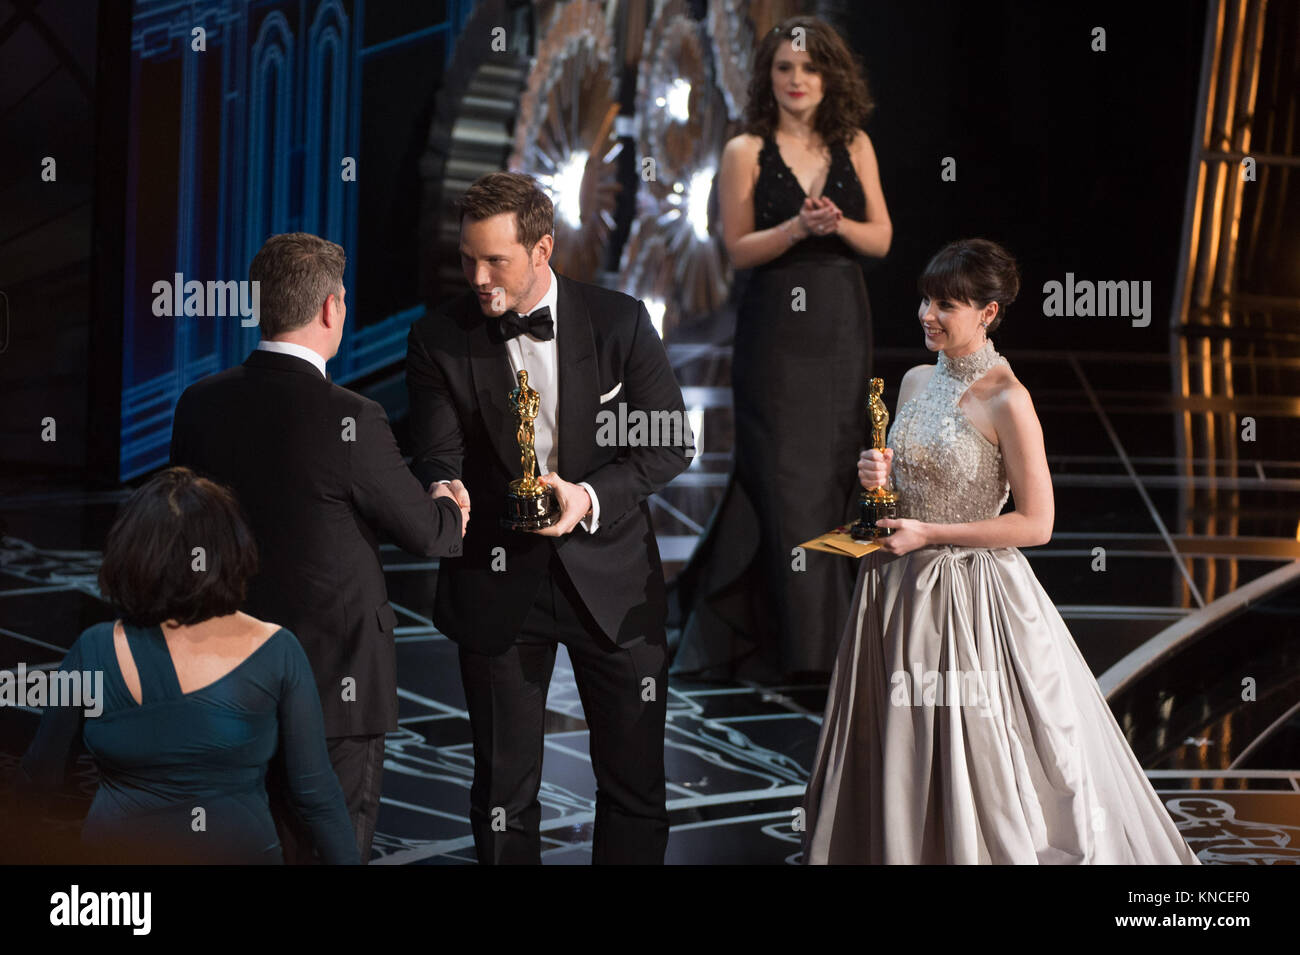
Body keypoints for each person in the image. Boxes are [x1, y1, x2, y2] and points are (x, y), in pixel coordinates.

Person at [801, 239, 1201, 864]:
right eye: (925, 301)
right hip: (895, 584)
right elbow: (908, 486)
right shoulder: (912, 380)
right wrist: (877, 478)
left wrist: (931, 535)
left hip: (964, 596)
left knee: (969, 743)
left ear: (988, 313)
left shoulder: (1007, 399)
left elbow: (1036, 524)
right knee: (899, 738)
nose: (927, 316)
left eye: (946, 306)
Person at [405, 171, 691, 864]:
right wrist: (444, 486)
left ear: (543, 248)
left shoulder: (619, 320)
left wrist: (586, 498)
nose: (478, 276)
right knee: (504, 793)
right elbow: (437, 453)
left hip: (614, 582)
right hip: (499, 584)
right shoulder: (439, 336)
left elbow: (668, 443)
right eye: (468, 258)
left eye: (495, 259)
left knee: (634, 789)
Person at [169, 232, 468, 863]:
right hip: (334, 689)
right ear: (332, 309)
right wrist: (449, 499)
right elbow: (430, 534)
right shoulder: (352, 418)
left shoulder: (198, 404)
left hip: (223, 677)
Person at [670, 15, 892, 682]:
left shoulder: (854, 142)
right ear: (769, 78)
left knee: (832, 476)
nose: (797, 80)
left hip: (841, 324)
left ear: (830, 77)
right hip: (774, 329)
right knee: (782, 478)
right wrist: (797, 226)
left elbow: (881, 239)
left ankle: (831, 640)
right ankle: (803, 650)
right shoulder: (745, 150)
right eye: (785, 69)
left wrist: (839, 224)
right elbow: (736, 248)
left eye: (810, 68)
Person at [18, 468, 358, 864]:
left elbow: (38, 778)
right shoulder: (277, 649)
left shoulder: (94, 648)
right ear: (231, 550)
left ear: (132, 553)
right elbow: (316, 797)